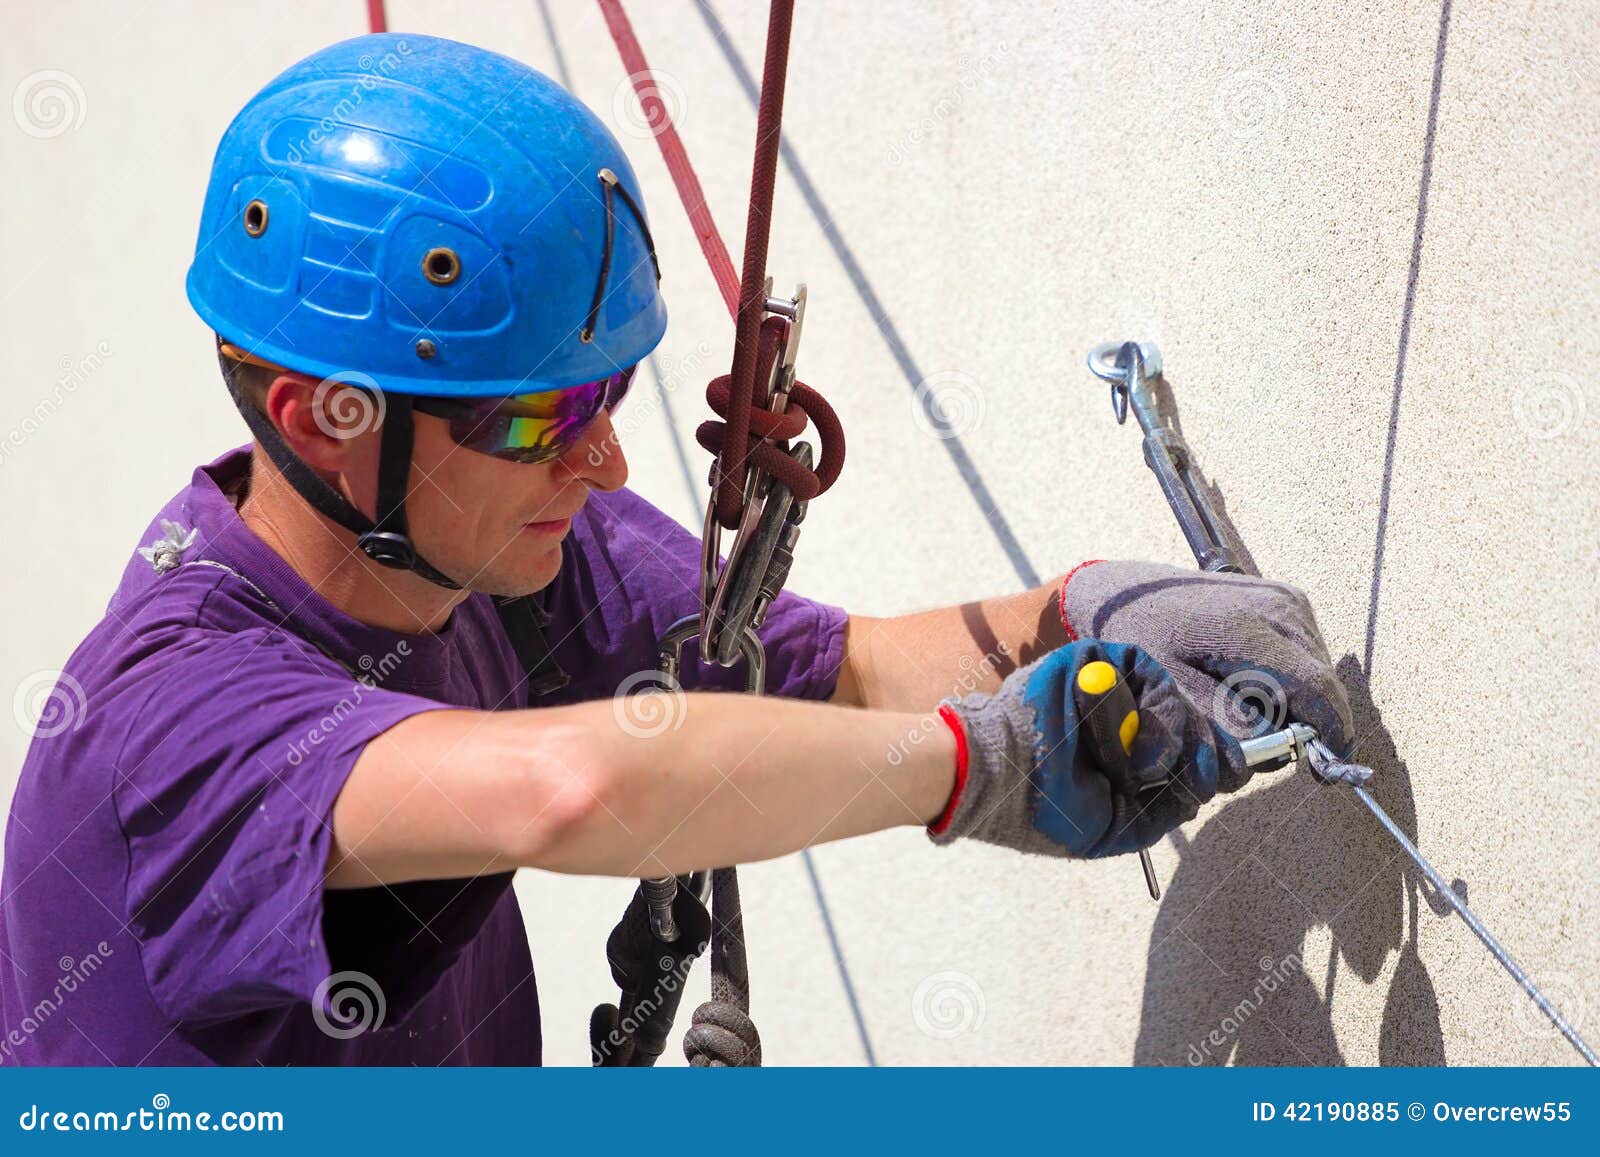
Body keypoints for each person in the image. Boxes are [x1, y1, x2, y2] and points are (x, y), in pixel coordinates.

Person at [0, 33, 1352, 1066]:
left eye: (605, 397)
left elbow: (837, 676)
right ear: (324, 420)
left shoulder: (485, 543)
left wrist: (1079, 612)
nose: (605, 464)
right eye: (541, 417)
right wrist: (980, 767)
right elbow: (571, 791)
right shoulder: (167, 722)